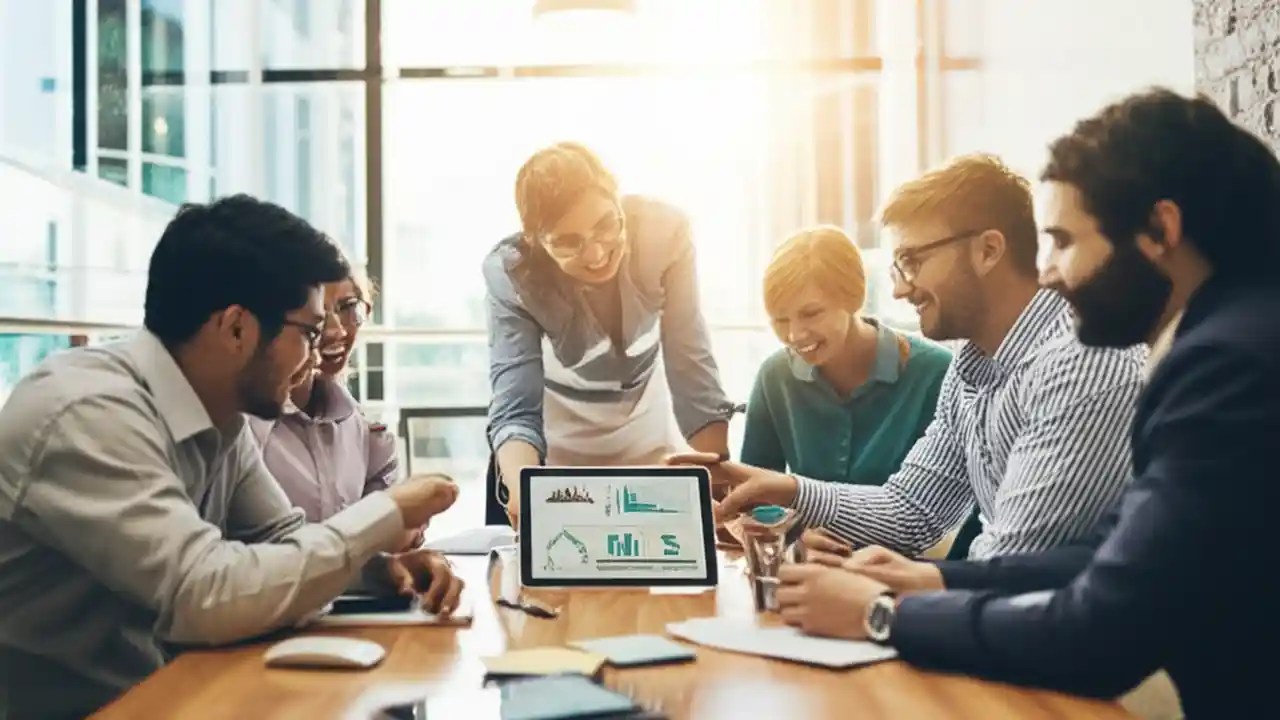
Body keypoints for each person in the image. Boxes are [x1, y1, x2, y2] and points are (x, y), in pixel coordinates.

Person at [768, 89, 1280, 718]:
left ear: (1160, 230)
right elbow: (1109, 555)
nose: (1049, 273)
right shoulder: (1234, 339)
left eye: (1063, 241)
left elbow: (1104, 631)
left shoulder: (1225, 368)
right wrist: (932, 580)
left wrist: (883, 616)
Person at [0, 196, 463, 719]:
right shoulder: (87, 414)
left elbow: (282, 541)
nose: (319, 354)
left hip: (177, 693)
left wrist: (379, 570)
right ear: (237, 328)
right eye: (309, 332)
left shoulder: (222, 416)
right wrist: (389, 513)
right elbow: (205, 595)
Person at [678, 154, 1145, 561]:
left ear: (988, 250)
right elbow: (910, 511)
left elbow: (1010, 565)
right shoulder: (970, 371)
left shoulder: (1083, 364)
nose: (900, 288)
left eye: (912, 262)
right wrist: (790, 489)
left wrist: (881, 593)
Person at [484, 142, 735, 526]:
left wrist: (716, 482)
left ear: (617, 198)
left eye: (605, 224)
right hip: (550, 462)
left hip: (648, 453)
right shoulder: (512, 273)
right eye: (567, 242)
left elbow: (691, 364)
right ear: (536, 240)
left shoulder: (663, 233)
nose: (596, 254)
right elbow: (516, 402)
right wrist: (524, 491)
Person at [742, 225, 950, 489]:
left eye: (811, 313)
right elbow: (755, 500)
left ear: (854, 297)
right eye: (781, 320)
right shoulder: (774, 377)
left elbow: (948, 505)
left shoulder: (936, 374)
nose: (794, 335)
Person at [249, 271, 426, 551]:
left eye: (347, 308)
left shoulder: (364, 431)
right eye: (316, 316)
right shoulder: (239, 429)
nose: (336, 330)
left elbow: (393, 536)